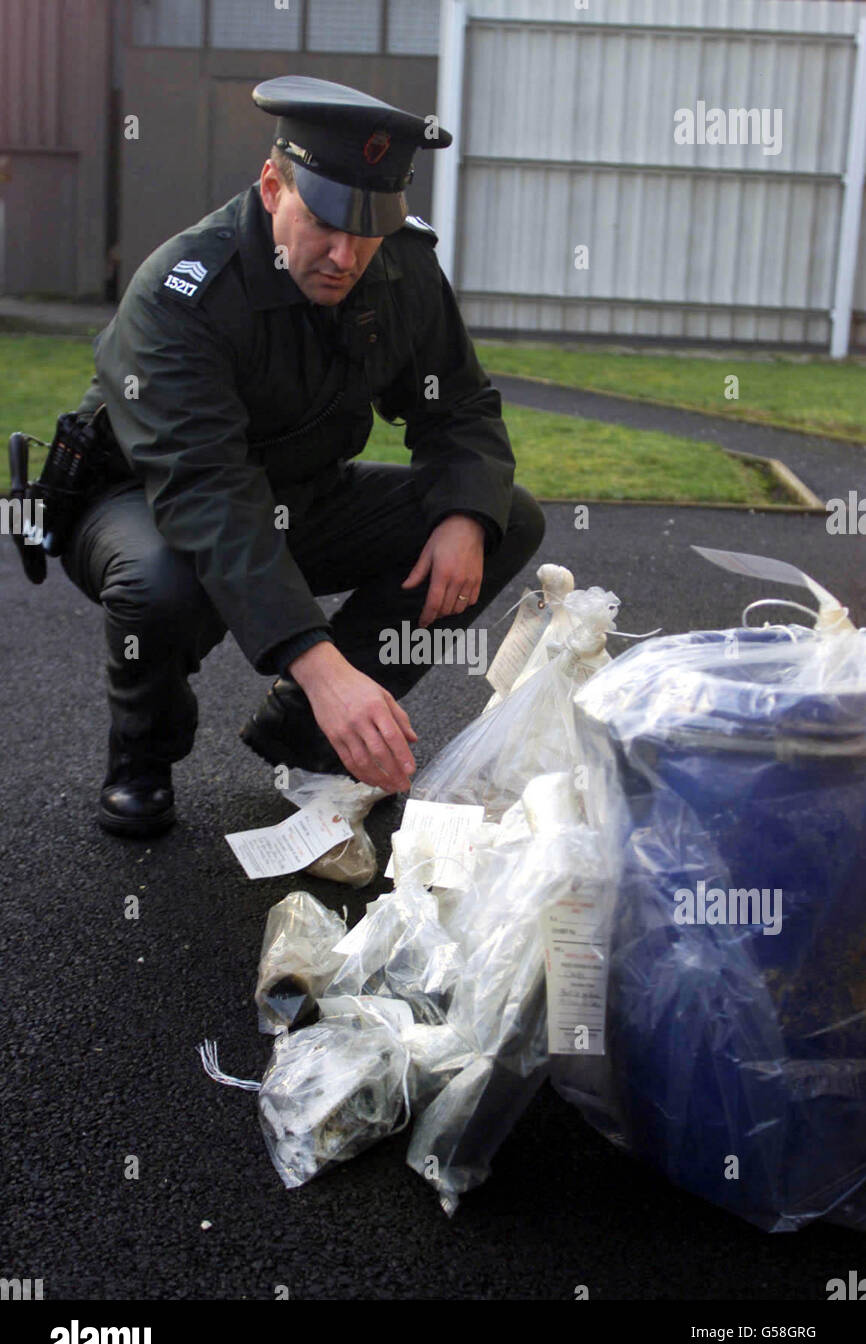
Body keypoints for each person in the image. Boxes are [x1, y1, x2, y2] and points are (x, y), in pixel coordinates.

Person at [63, 75, 545, 837]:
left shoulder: (400, 266)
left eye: (370, 226)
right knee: (162, 586)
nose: (345, 255)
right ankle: (143, 756)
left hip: (300, 494)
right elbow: (207, 493)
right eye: (322, 221)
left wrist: (463, 514)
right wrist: (321, 666)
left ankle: (308, 736)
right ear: (270, 186)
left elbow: (459, 406)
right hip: (149, 503)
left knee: (502, 517)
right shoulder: (181, 294)